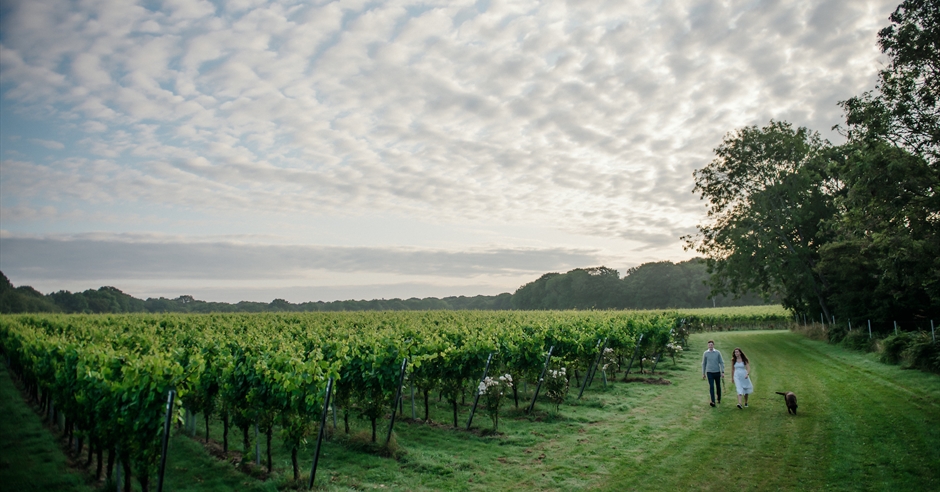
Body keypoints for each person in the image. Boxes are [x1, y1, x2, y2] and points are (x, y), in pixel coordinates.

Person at [701, 340, 724, 407]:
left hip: (717, 371)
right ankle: (713, 401)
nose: (710, 346)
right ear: (708, 345)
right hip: (709, 372)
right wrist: (703, 373)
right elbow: (704, 363)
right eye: (709, 345)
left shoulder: (717, 352)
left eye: (711, 344)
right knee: (711, 386)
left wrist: (722, 371)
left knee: (718, 386)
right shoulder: (706, 353)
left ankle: (719, 398)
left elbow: (721, 362)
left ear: (713, 345)